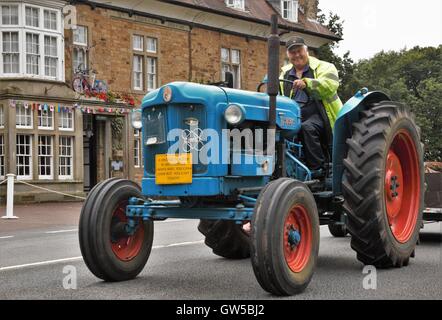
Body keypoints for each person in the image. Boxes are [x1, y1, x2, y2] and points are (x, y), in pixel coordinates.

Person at [280, 37, 343, 173]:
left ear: (306, 51)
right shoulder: (284, 74)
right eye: (293, 52)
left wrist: (307, 83)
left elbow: (329, 85)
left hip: (322, 114)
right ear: (288, 55)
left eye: (299, 51)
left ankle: (318, 170)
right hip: (295, 113)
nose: (297, 55)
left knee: (306, 128)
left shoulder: (325, 67)